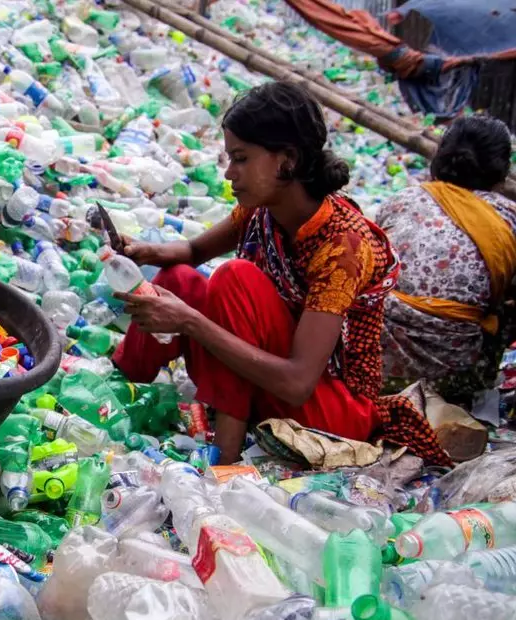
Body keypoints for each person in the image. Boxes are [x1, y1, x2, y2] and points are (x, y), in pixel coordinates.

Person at [112, 81, 449, 466]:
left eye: (240, 159)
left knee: (234, 278)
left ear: (286, 160)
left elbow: (297, 381)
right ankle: (119, 389)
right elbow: (193, 251)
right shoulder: (264, 209)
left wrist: (189, 323)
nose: (228, 174)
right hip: (267, 375)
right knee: (177, 280)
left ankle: (224, 458)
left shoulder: (342, 245)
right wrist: (141, 251)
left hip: (326, 408)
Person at [379, 115, 516, 404]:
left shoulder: (402, 200)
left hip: (377, 366)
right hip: (452, 377)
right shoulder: (509, 217)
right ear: (501, 167)